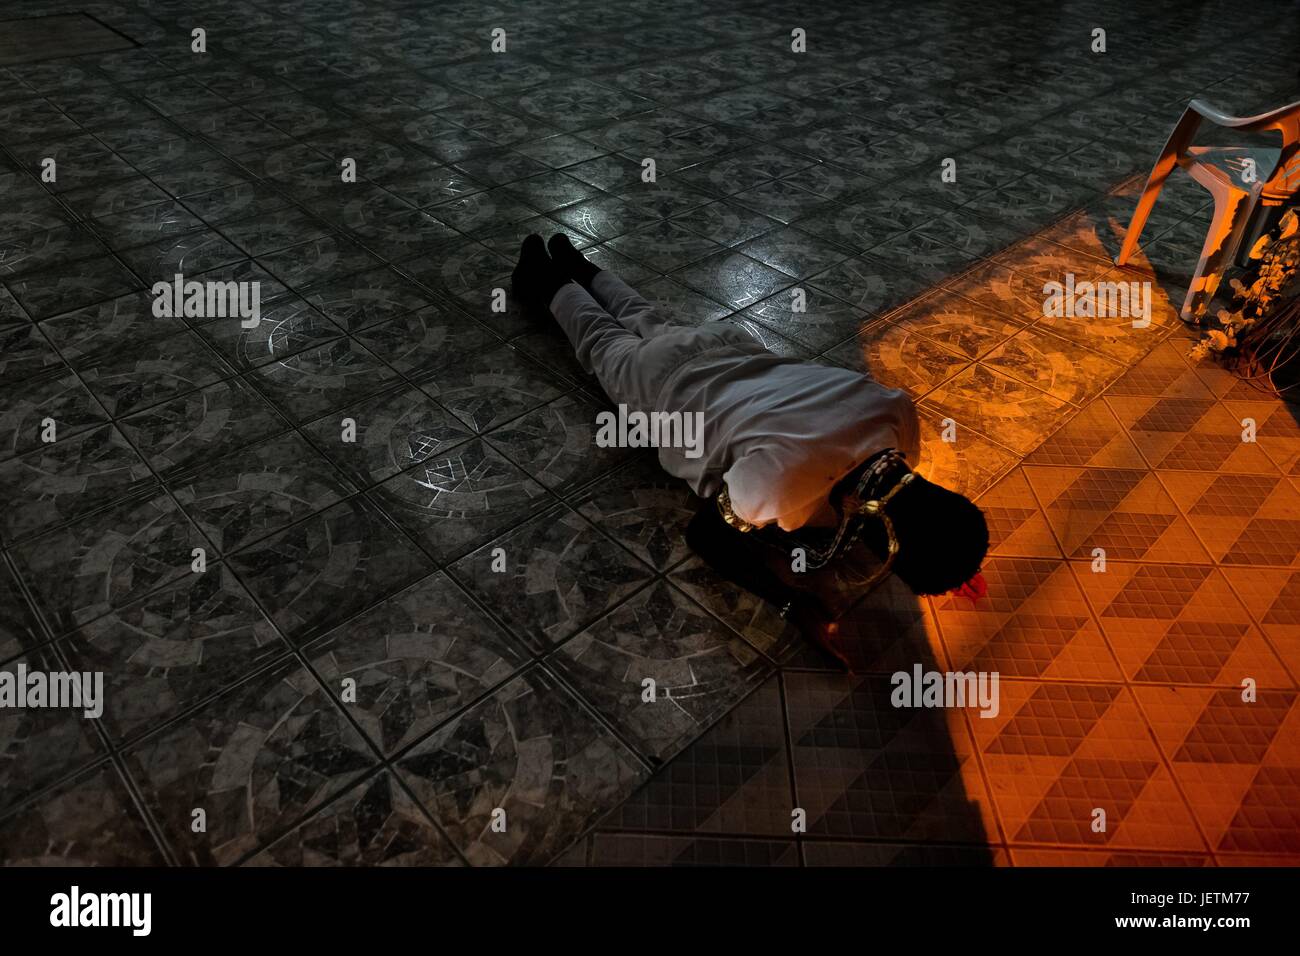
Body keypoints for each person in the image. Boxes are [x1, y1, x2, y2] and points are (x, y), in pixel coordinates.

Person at [511, 233, 989, 663]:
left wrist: (948, 547)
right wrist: (791, 604)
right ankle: (542, 271)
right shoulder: (780, 490)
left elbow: (908, 506)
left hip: (727, 345)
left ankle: (575, 260)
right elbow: (707, 536)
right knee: (601, 339)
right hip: (662, 385)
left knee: (646, 317)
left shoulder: (897, 416)